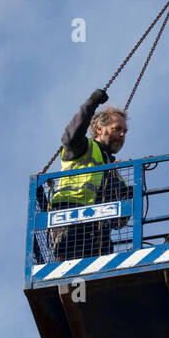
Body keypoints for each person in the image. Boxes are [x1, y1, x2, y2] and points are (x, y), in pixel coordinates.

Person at [49, 89, 130, 260]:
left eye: (125, 131)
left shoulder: (114, 172)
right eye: (117, 129)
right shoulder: (84, 148)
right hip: (70, 218)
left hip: (98, 233)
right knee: (72, 266)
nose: (122, 135)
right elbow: (70, 137)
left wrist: (128, 196)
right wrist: (91, 103)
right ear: (99, 129)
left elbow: (119, 222)